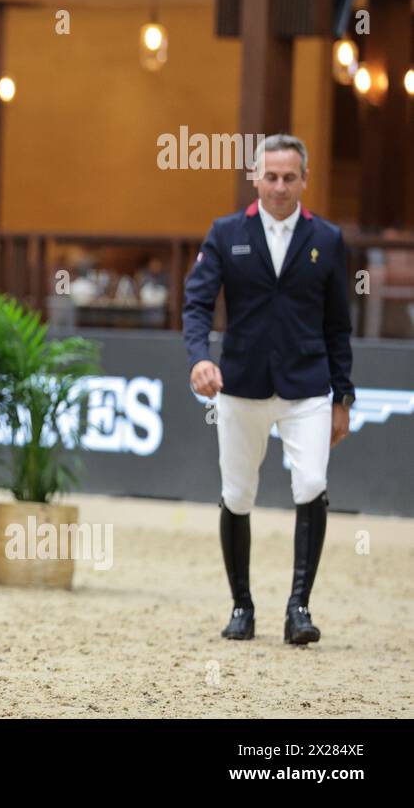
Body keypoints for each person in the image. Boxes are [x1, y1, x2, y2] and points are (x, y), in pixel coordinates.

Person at [183, 133, 354, 645]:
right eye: (271, 176)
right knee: (237, 495)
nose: (280, 186)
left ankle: (299, 608)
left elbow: (338, 326)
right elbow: (195, 304)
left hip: (307, 387)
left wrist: (343, 398)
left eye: (290, 177)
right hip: (240, 385)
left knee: (311, 486)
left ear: (305, 179)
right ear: (255, 178)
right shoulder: (225, 232)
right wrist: (199, 361)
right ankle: (242, 606)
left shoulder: (328, 237)